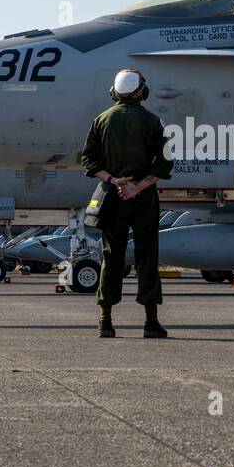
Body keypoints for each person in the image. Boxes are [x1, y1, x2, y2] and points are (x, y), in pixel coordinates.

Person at [80, 68, 173, 338]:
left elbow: (89, 161)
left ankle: (104, 321)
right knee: (147, 256)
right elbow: (166, 162)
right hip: (142, 199)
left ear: (115, 92)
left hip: (111, 197)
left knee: (111, 256)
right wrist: (137, 186)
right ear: (141, 91)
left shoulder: (100, 120)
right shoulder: (154, 121)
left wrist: (114, 180)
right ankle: (151, 323)